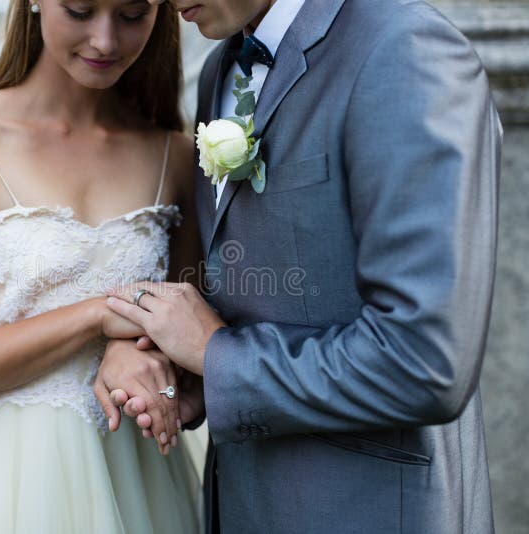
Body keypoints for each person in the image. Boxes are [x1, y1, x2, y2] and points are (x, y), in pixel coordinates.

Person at [95, 0, 502, 532]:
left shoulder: (405, 49)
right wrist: (188, 371)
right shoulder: (221, 67)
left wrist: (220, 357)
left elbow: (425, 363)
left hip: (367, 510)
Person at [0, 0, 204, 531]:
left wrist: (133, 346)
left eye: (132, 15)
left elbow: (184, 326)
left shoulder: (176, 155)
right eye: (79, 10)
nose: (105, 40)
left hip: (134, 480)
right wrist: (96, 317)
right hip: (0, 487)